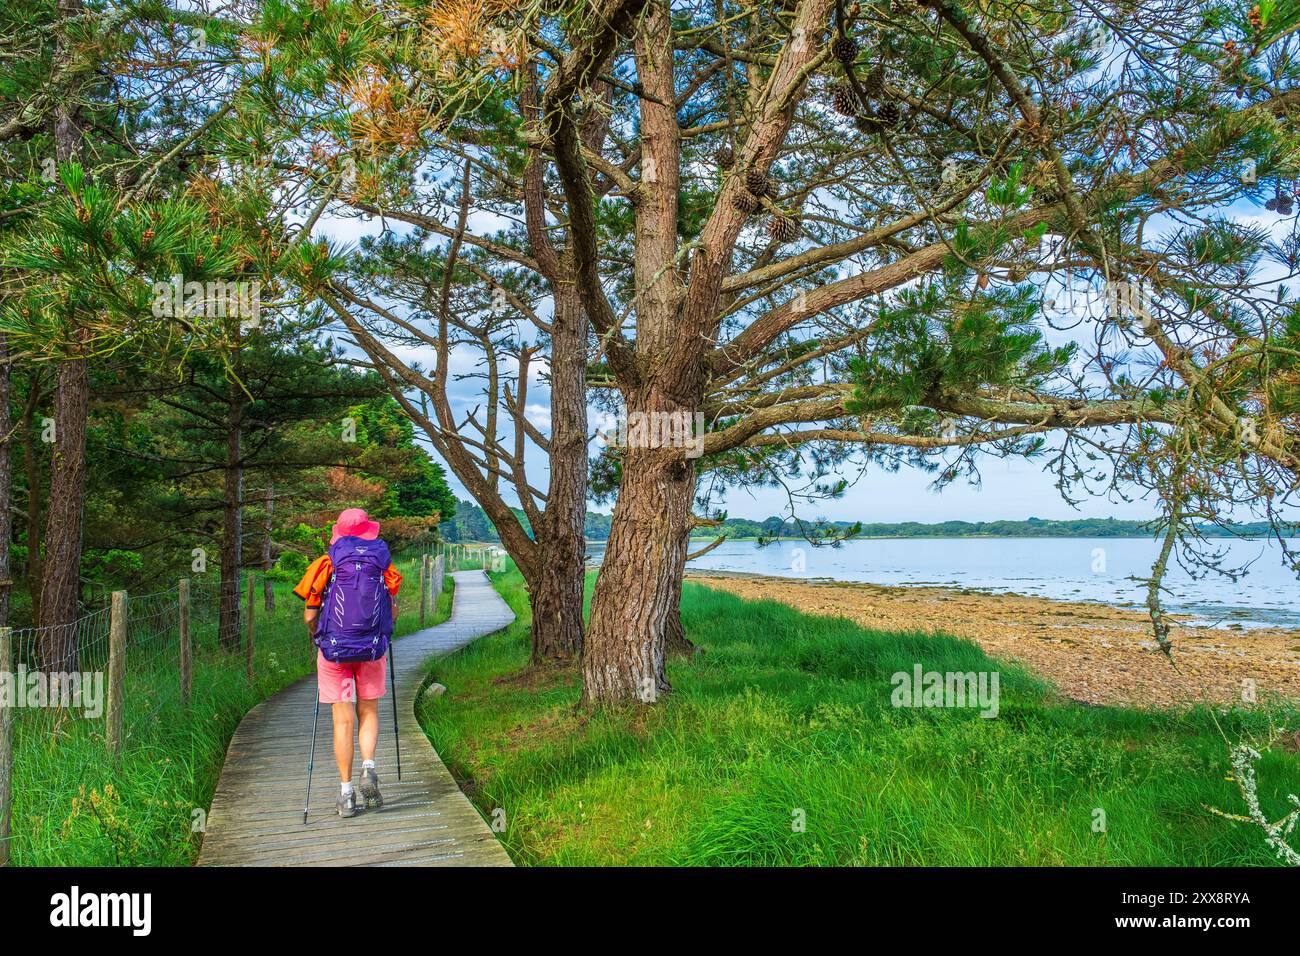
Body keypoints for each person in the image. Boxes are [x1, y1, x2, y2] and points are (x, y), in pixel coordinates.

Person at [293, 508, 402, 817]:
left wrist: (318, 634)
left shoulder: (326, 563)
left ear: (338, 533)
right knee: (368, 710)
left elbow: (310, 615)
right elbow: (391, 611)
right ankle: (369, 767)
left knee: (343, 721)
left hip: (335, 652)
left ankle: (347, 794)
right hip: (371, 650)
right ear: (369, 532)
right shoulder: (383, 565)